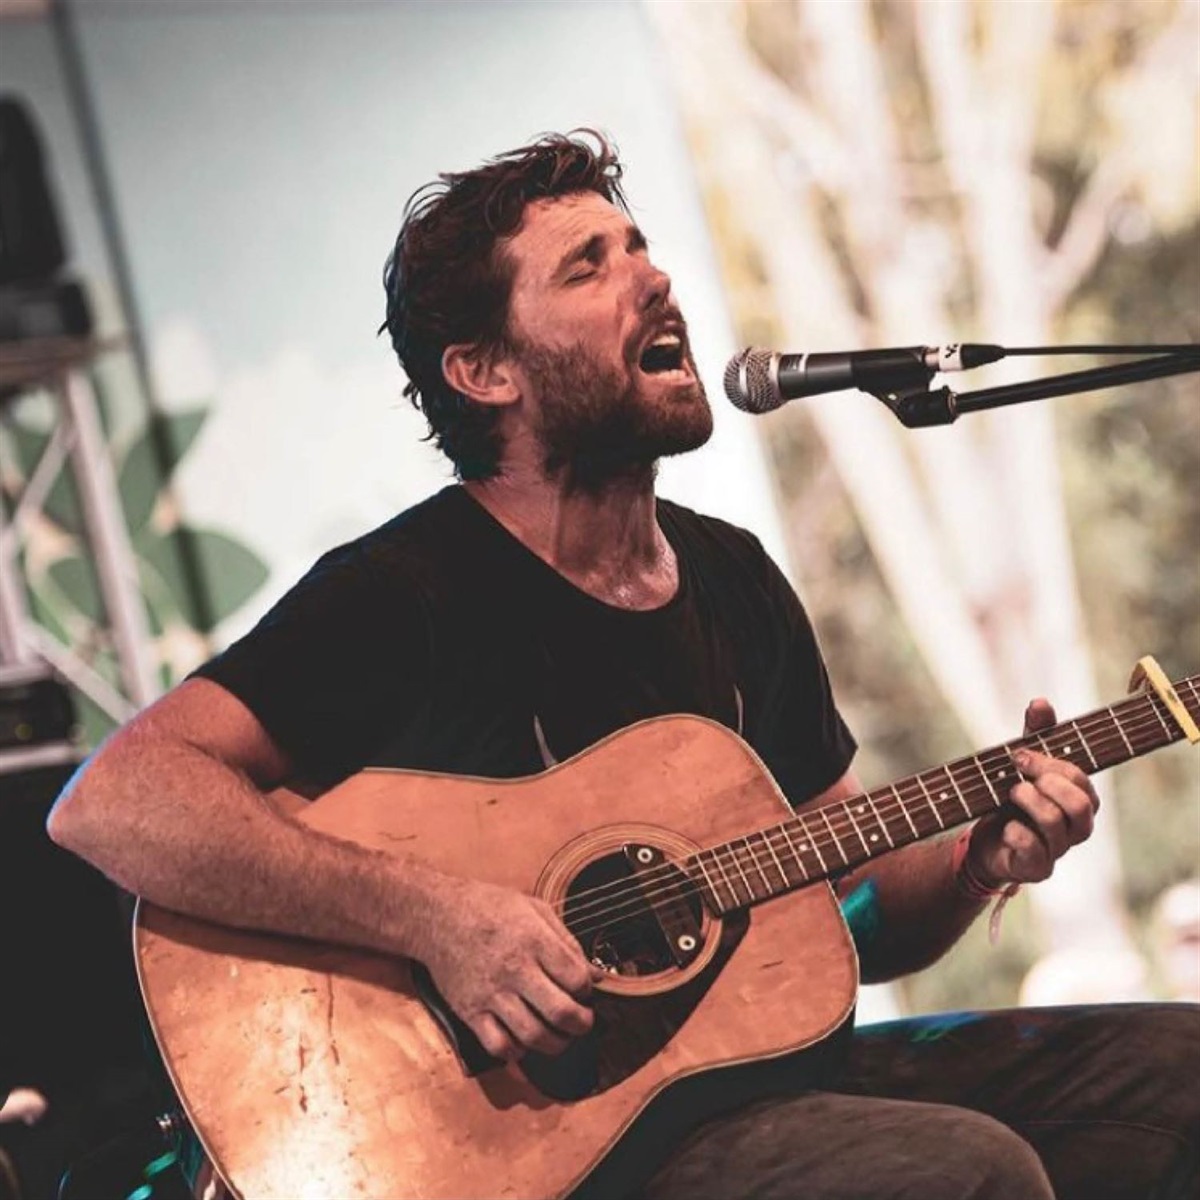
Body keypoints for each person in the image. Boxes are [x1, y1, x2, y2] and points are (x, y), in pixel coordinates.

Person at [47, 131, 1197, 1200]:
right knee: (957, 1174)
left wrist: (977, 862)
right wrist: (441, 921)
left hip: (759, 1091)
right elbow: (114, 802)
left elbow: (855, 902)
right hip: (545, 1149)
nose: (654, 280)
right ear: (485, 371)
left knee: (1176, 1075)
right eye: (587, 266)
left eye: (640, 246)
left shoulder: (734, 577)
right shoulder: (406, 593)